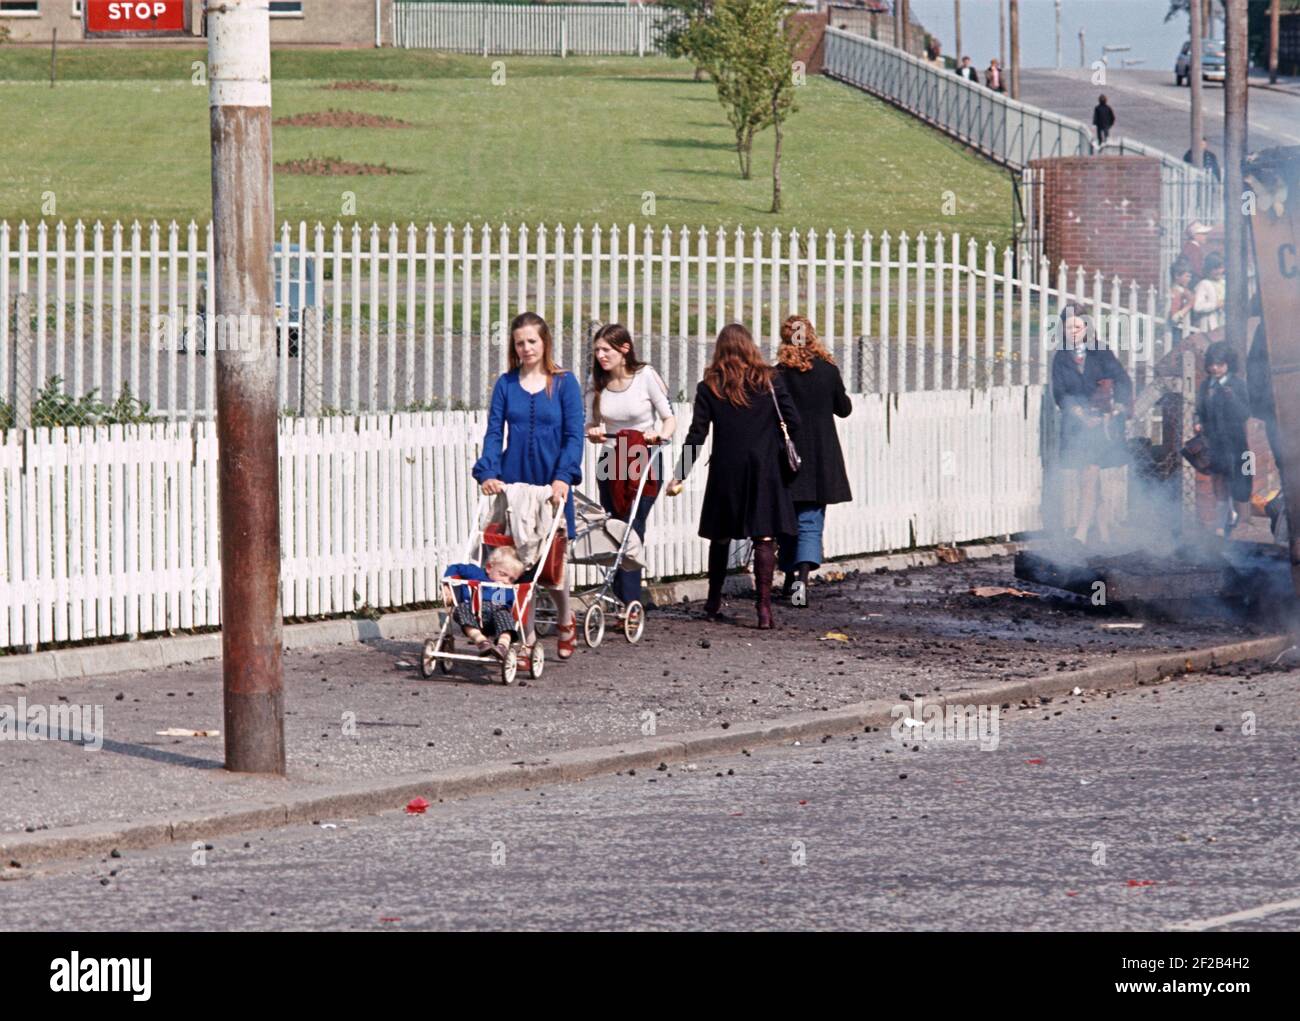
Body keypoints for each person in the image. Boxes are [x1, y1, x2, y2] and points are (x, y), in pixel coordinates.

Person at [664, 323, 800, 630]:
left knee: (720, 537)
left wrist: (680, 473)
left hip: (726, 471)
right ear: (751, 346)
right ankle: (764, 609)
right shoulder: (769, 380)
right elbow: (794, 420)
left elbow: (696, 435)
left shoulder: (710, 386)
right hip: (765, 470)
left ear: (720, 350)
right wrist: (774, 448)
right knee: (764, 537)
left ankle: (713, 601)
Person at [473, 311, 585, 659]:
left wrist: (563, 476)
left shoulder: (564, 383)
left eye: (532, 341)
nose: (526, 348)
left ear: (545, 342)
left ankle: (566, 618)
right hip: (515, 478)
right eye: (520, 342)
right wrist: (489, 471)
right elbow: (494, 432)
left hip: (551, 482)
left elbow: (574, 435)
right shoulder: (506, 384)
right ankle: (528, 638)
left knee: (551, 565)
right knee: (516, 562)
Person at [586, 323, 677, 612]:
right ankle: (618, 597)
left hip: (642, 456)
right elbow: (588, 421)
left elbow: (669, 418)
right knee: (612, 525)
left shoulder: (644, 376)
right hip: (610, 458)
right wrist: (593, 431)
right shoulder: (596, 381)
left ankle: (630, 601)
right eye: (597, 350)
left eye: (606, 349)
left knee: (632, 527)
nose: (601, 355)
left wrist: (659, 434)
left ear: (624, 349)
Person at [773, 315, 852, 609]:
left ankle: (789, 575)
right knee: (810, 521)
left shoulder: (776, 375)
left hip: (787, 455)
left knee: (787, 520)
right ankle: (801, 585)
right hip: (821, 457)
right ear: (811, 337)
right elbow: (843, 409)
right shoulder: (828, 371)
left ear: (784, 339)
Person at [1051, 303, 1133, 546]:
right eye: (1068, 327)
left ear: (1087, 326)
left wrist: (1116, 408)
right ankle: (1105, 534)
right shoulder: (1061, 357)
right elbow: (1060, 392)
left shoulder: (1101, 353)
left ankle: (1081, 533)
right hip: (1077, 426)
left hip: (1102, 426)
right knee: (1087, 479)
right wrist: (1079, 413)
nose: (1073, 331)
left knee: (1089, 474)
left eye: (1077, 326)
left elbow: (1123, 381)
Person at [1196, 341, 1252, 537]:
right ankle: (1221, 524)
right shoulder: (1205, 386)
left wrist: (1231, 398)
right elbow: (1199, 411)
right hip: (1214, 442)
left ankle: (1241, 523)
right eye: (1212, 364)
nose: (1215, 368)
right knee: (1218, 481)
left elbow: (1245, 413)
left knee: (1240, 480)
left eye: (1220, 364)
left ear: (1228, 364)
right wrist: (1198, 422)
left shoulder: (1238, 384)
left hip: (1235, 442)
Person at [442, 546, 525, 660]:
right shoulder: (476, 573)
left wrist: (510, 591)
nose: (506, 581)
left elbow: (507, 606)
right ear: (489, 567)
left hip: (494, 621)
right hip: (473, 615)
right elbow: (455, 568)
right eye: (503, 574)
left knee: (504, 615)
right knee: (461, 608)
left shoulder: (505, 589)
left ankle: (502, 646)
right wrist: (447, 587)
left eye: (512, 579)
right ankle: (481, 641)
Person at [1193, 252, 1226, 333]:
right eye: (1214, 269)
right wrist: (1215, 305)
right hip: (1210, 324)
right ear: (1208, 269)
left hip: (1224, 321)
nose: (1218, 271)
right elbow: (1197, 306)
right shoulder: (1204, 284)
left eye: (1220, 268)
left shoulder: (1225, 283)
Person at [1167, 257, 1195, 344]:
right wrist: (1189, 305)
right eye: (1187, 276)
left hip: (1183, 328)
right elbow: (1174, 317)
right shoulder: (1176, 292)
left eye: (1190, 276)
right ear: (1177, 276)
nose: (1189, 279)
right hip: (1176, 330)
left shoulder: (1184, 291)